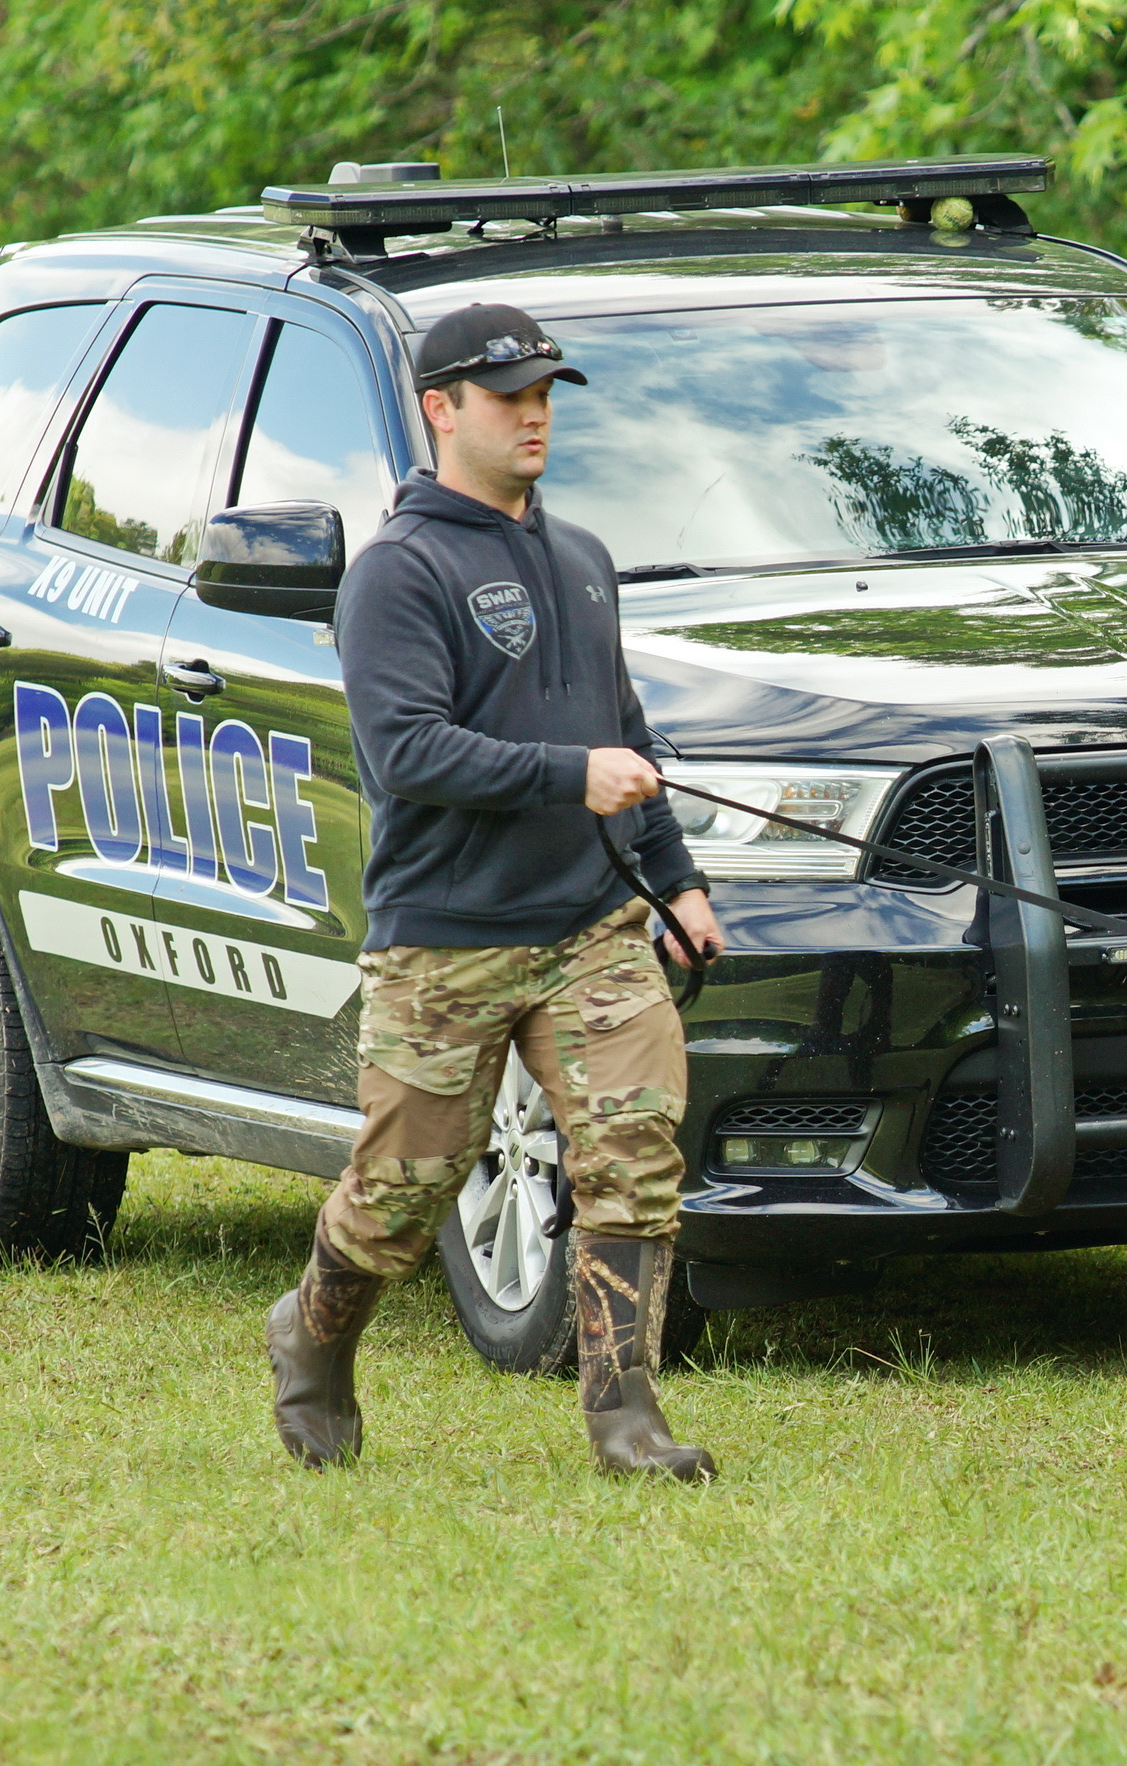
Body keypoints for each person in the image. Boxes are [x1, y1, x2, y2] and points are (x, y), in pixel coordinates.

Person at [265, 301, 726, 1479]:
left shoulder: (579, 558)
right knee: (403, 1192)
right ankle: (310, 1340)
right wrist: (574, 775)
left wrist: (675, 880)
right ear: (440, 407)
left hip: (590, 926)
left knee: (634, 1153)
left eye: (546, 392)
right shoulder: (397, 572)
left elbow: (624, 736)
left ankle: (625, 1419)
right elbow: (408, 752)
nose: (535, 412)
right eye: (508, 392)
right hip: (447, 938)